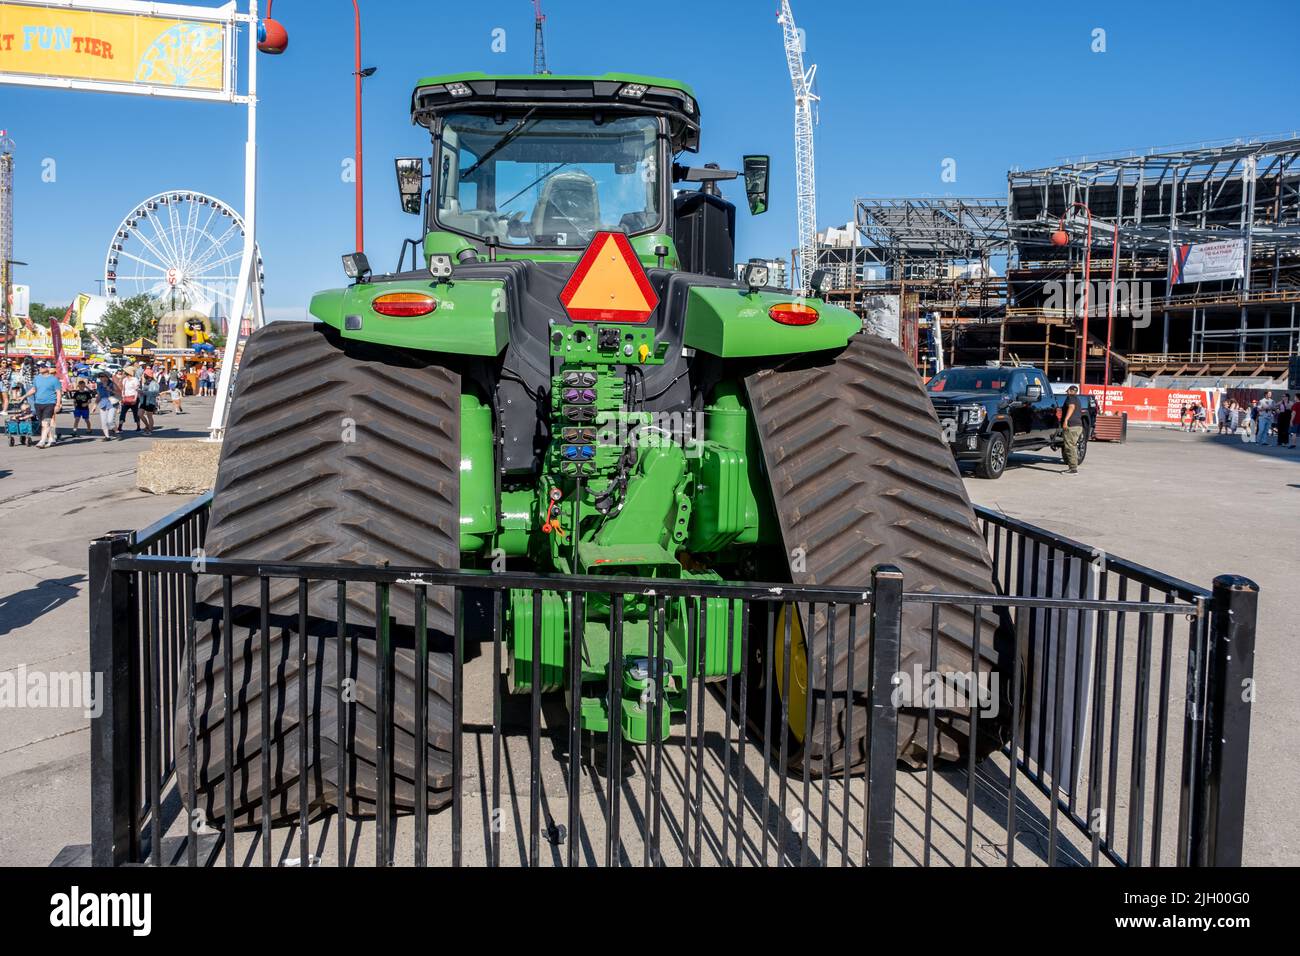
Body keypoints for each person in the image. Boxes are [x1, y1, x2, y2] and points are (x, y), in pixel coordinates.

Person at [22, 362, 62, 448]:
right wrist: (23, 396)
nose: (40, 368)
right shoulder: (36, 378)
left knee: (45, 423)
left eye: (42, 367)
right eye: (39, 367)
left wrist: (58, 404)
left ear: (47, 368)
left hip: (50, 403)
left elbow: (58, 392)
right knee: (43, 424)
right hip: (38, 404)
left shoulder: (54, 379)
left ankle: (42, 441)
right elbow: (33, 389)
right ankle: (51, 439)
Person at [1060, 385, 1084, 475]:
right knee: (1072, 445)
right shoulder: (1077, 399)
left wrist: (1066, 420)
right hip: (1078, 426)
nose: (1067, 392)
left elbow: (1071, 407)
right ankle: (1073, 467)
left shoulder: (1071, 398)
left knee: (1070, 446)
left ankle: (1073, 469)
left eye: (1068, 391)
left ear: (1069, 391)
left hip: (1071, 425)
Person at [114, 364, 141, 433]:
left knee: (135, 413)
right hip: (126, 397)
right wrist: (122, 397)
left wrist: (135, 398)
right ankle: (120, 427)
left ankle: (138, 426)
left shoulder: (135, 379)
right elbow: (123, 389)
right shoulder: (125, 380)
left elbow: (136, 390)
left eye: (125, 372)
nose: (124, 373)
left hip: (133, 397)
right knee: (123, 413)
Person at [93, 372, 116, 440]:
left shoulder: (112, 384)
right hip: (103, 404)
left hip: (112, 404)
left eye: (102, 377)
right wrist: (95, 405)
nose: (101, 378)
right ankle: (107, 436)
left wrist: (110, 390)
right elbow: (99, 396)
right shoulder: (99, 385)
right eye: (100, 377)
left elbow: (118, 393)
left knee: (110, 421)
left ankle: (114, 429)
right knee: (103, 422)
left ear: (107, 377)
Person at [139, 368, 160, 435]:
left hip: (150, 401)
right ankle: (147, 426)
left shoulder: (154, 383)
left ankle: (150, 430)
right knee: (139, 414)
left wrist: (144, 392)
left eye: (145, 374)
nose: (144, 375)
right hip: (143, 401)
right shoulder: (145, 382)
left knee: (149, 416)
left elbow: (155, 393)